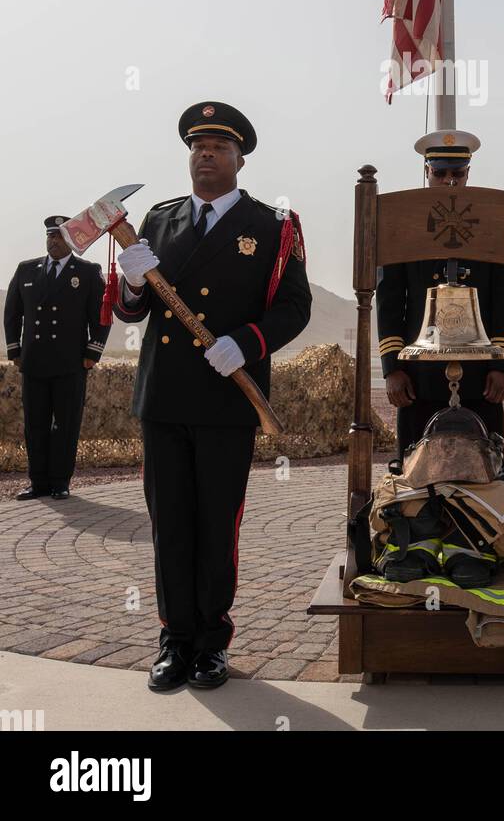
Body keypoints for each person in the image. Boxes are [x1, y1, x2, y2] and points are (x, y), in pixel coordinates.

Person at [113, 101, 312, 692]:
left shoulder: (272, 225)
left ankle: (211, 643)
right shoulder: (158, 219)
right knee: (169, 522)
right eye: (197, 147)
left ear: (240, 159)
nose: (205, 155)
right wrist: (128, 279)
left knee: (216, 523)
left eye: (219, 147)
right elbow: (133, 311)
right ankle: (174, 640)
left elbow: (293, 307)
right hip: (166, 397)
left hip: (227, 400)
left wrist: (247, 343)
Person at [376, 130, 504, 458]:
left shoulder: (492, 227)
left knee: (484, 470)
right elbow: (390, 300)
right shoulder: (404, 227)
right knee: (415, 472)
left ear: (469, 173)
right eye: (440, 173)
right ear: (427, 172)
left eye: (458, 173)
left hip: (481, 378)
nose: (449, 181)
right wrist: (392, 368)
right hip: (418, 379)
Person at [4, 215, 110, 500]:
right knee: (35, 424)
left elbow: (101, 317)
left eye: (59, 237)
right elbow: (12, 313)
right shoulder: (27, 270)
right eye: (50, 236)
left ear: (70, 241)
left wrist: (93, 352)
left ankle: (60, 481)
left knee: (65, 424)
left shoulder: (87, 272)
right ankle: (38, 482)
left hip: (71, 363)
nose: (53, 241)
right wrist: (15, 351)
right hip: (34, 362)